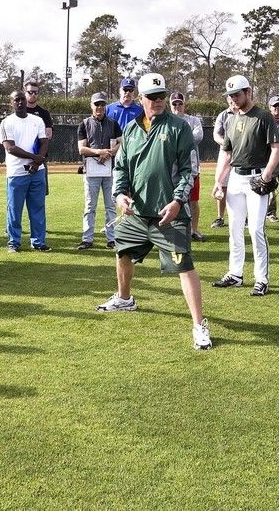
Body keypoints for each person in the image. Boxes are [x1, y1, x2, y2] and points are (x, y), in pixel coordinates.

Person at [97, 73, 211, 351]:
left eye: (162, 96)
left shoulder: (179, 128)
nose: (158, 101)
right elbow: (121, 167)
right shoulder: (132, 130)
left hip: (169, 214)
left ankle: (199, 325)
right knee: (122, 252)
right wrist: (120, 194)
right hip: (137, 214)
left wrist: (177, 202)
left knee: (184, 265)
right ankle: (125, 299)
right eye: (152, 97)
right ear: (140, 99)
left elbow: (188, 171)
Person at [211, 75, 279, 296]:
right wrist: (218, 181)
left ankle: (261, 279)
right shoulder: (230, 120)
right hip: (236, 179)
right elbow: (227, 153)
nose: (233, 98)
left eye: (237, 94)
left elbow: (277, 148)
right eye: (230, 95)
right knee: (234, 229)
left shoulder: (263, 117)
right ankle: (235, 274)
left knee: (256, 229)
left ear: (248, 92)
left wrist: (267, 175)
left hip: (256, 178)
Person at [1, 90, 50, 252]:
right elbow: (11, 148)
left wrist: (37, 162)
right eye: (17, 100)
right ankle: (14, 242)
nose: (21, 102)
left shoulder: (37, 120)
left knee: (37, 208)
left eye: (23, 99)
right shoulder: (7, 122)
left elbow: (44, 142)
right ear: (11, 103)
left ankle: (38, 242)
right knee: (14, 209)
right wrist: (35, 158)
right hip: (16, 173)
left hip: (37, 171)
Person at [77, 92, 121, 249]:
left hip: (109, 171)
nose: (100, 107)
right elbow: (82, 149)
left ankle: (112, 239)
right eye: (97, 104)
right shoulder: (84, 124)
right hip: (91, 171)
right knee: (90, 206)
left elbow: (121, 143)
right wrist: (99, 152)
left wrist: (108, 153)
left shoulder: (114, 123)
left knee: (110, 206)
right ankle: (87, 239)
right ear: (91, 106)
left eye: (102, 104)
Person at [169, 91, 206, 240]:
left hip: (192, 168)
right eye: (174, 104)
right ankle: (174, 229)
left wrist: (178, 138)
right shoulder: (166, 121)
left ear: (185, 104)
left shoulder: (193, 120)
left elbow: (198, 136)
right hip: (172, 169)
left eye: (180, 103)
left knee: (193, 201)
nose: (178, 106)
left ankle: (193, 230)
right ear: (170, 106)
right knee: (172, 199)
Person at [209, 102, 237, 228]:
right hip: (225, 153)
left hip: (243, 154)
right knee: (222, 185)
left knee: (244, 184)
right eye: (230, 97)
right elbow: (216, 135)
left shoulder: (248, 114)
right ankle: (220, 217)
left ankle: (246, 218)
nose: (233, 100)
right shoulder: (223, 115)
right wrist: (226, 144)